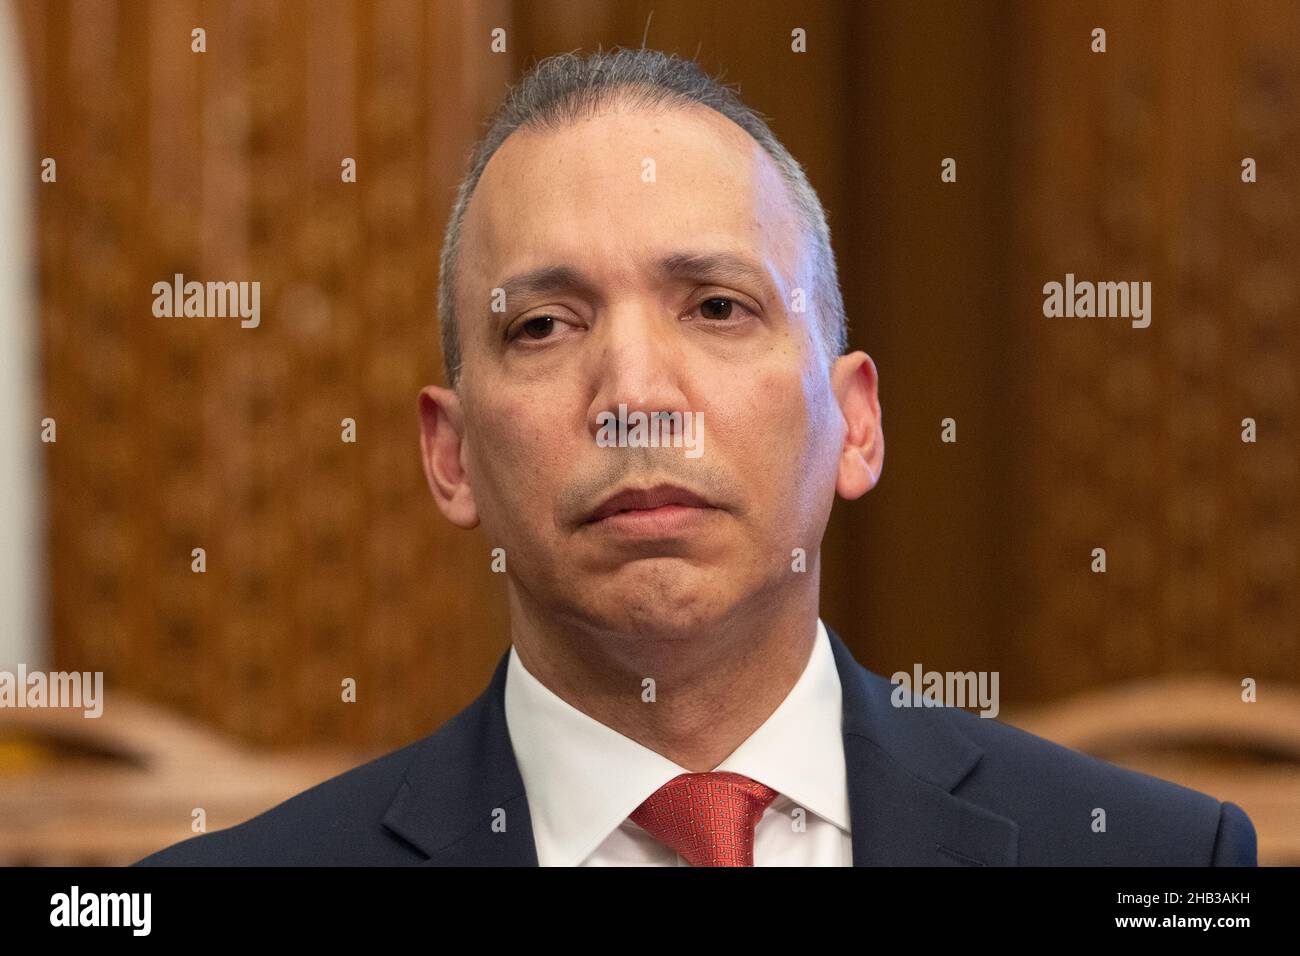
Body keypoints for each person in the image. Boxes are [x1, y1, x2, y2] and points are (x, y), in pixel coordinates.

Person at [136, 47, 1256, 867]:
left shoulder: (1159, 861)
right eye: (543, 325)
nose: (634, 398)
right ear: (452, 455)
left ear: (854, 423)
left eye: (716, 307)